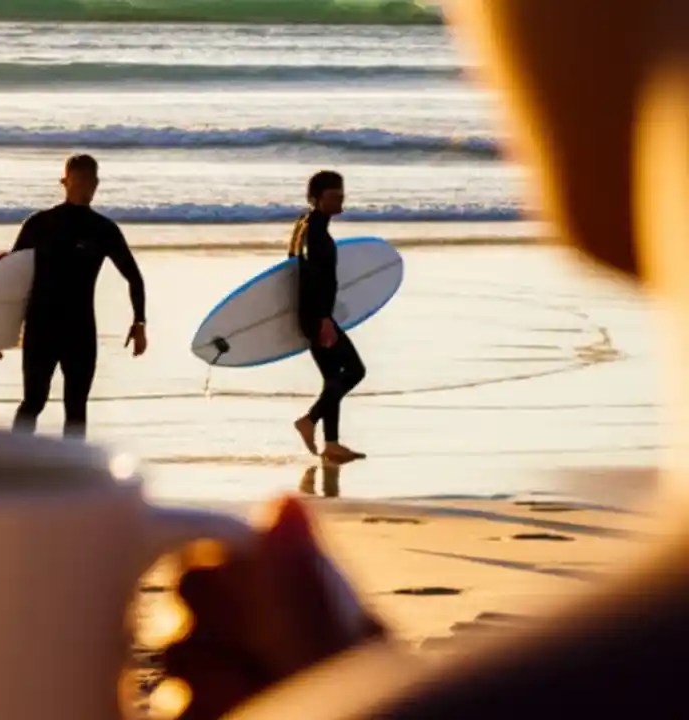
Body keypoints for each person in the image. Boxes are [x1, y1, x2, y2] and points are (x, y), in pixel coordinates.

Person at [162, 1, 689, 718]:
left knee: (347, 376)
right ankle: (321, 429)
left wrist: (346, 702)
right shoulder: (312, 233)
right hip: (315, 322)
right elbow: (312, 283)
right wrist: (344, 680)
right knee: (345, 373)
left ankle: (321, 429)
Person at [0, 154, 147, 439]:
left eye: (88, 182)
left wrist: (139, 323)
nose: (82, 187)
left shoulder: (104, 230)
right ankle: (12, 463)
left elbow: (133, 277)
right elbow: (11, 277)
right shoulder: (39, 224)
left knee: (76, 408)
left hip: (79, 331)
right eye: (77, 181)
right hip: (42, 328)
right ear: (64, 182)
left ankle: (73, 474)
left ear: (96, 184)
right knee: (34, 402)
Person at [289, 170, 365, 463]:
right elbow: (313, 280)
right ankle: (309, 420)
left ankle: (331, 444)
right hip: (317, 315)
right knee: (354, 371)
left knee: (334, 377)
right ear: (316, 199)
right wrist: (323, 320)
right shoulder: (316, 235)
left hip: (315, 314)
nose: (339, 199)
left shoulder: (308, 226)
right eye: (333, 195)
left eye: (341, 193)